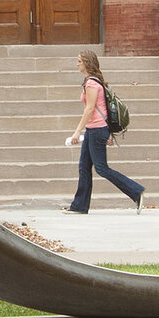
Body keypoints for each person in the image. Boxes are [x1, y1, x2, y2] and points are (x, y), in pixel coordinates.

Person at [63, 49, 145, 213]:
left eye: (79, 61)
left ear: (86, 63)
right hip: (95, 130)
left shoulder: (92, 83)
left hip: (96, 130)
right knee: (84, 168)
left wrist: (77, 132)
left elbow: (90, 108)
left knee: (102, 168)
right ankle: (79, 206)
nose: (77, 64)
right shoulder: (92, 81)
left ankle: (136, 191)